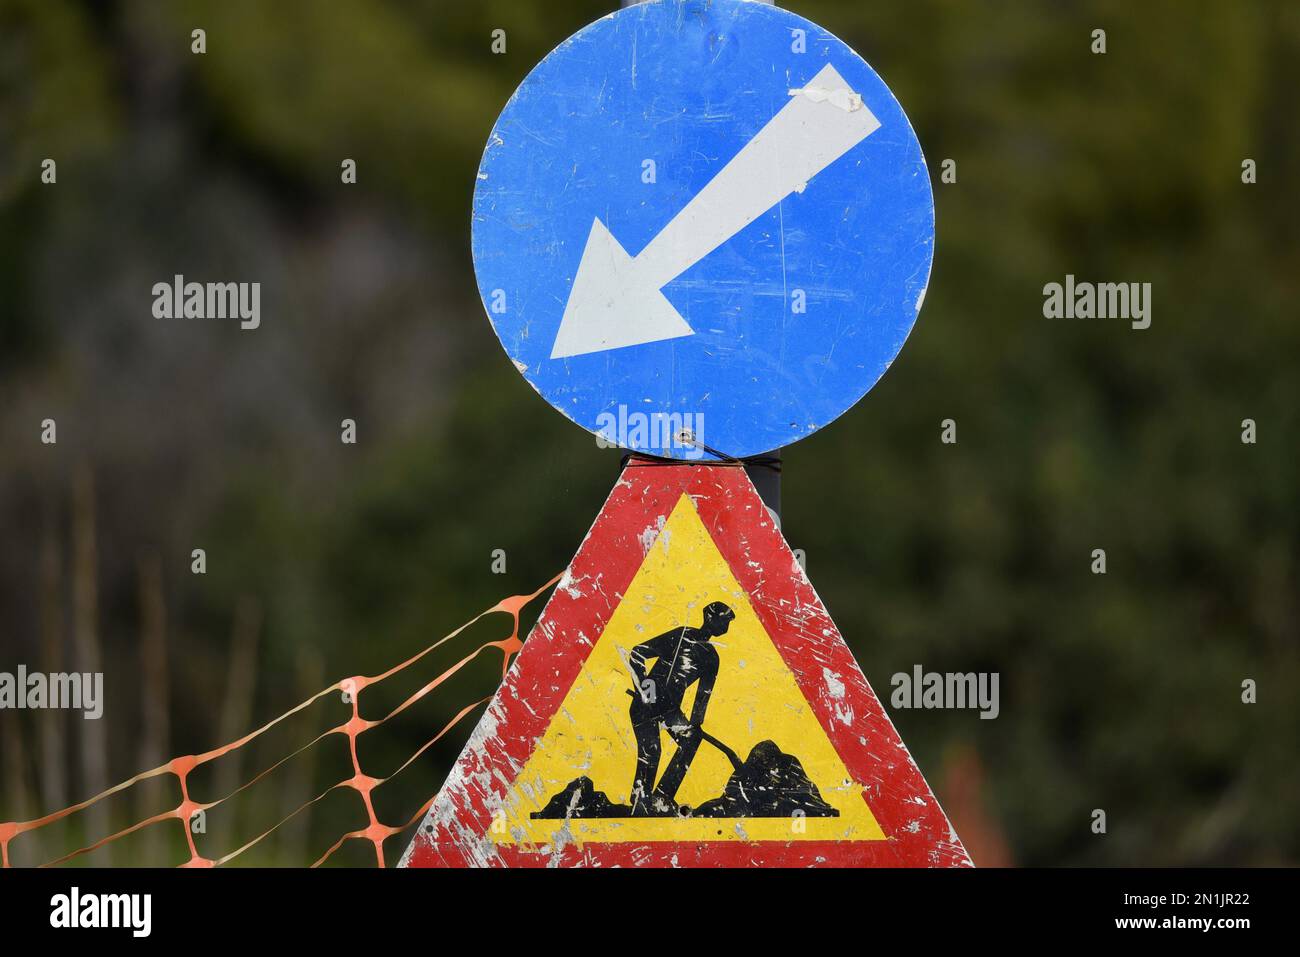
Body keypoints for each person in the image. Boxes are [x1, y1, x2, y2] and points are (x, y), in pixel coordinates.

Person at [626, 601, 734, 815]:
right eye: (724, 620)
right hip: (647, 703)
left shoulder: (712, 657)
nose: (725, 626)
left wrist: (696, 723)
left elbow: (703, 695)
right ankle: (640, 798)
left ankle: (663, 796)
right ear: (709, 617)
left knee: (691, 740)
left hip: (669, 710)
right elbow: (638, 653)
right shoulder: (682, 635)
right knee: (652, 750)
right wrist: (644, 686)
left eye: (728, 623)